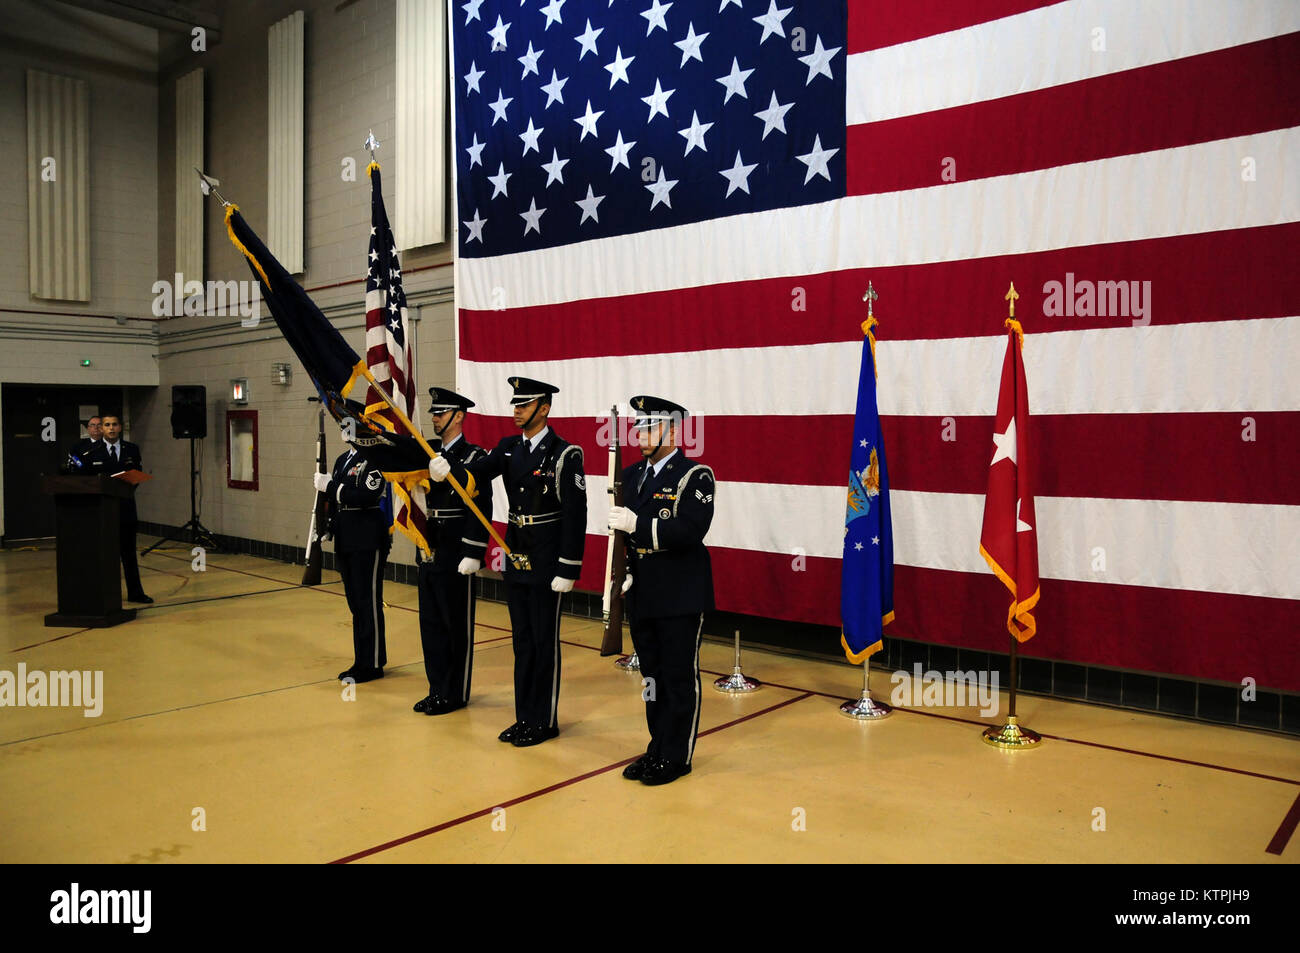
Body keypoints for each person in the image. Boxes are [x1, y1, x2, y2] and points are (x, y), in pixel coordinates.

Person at [428, 377, 586, 747]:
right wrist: (448, 471)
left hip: (547, 559)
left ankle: (543, 720)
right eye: (515, 404)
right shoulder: (509, 447)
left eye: (524, 405)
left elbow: (576, 515)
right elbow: (478, 474)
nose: (516, 410)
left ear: (543, 408)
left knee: (543, 641)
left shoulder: (565, 454)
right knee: (522, 642)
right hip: (515, 553)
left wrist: (568, 567)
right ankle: (524, 717)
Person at [607, 396, 715, 785]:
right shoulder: (632, 475)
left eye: (650, 427)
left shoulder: (696, 476)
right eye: (640, 427)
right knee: (651, 677)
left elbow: (689, 530)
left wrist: (638, 523)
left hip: (680, 593)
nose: (642, 435)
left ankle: (678, 755)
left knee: (678, 676)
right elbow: (625, 541)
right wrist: (623, 576)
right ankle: (657, 747)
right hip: (644, 592)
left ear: (673, 431)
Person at [412, 387, 491, 716]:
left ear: (459, 417)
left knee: (454, 623)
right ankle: (436, 689)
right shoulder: (427, 451)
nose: (434, 417)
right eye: (433, 412)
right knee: (430, 624)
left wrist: (473, 552)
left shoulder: (475, 457)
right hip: (430, 544)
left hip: (457, 548)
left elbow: (481, 505)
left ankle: (454, 693)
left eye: (441, 413)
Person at [314, 425, 390, 683]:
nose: (344, 431)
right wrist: (328, 528)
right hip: (346, 537)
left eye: (349, 427)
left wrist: (331, 486)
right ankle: (361, 660)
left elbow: (366, 495)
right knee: (355, 603)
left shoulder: (374, 460)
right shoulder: (342, 460)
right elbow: (339, 504)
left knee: (368, 601)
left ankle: (374, 662)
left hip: (367, 537)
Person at [93, 413, 152, 604]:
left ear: (120, 427)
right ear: (101, 428)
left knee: (128, 553)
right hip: (103, 510)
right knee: (103, 554)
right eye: (107, 425)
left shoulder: (131, 449)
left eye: (114, 424)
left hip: (125, 507)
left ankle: (135, 593)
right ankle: (103, 595)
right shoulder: (91, 451)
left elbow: (136, 475)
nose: (111, 428)